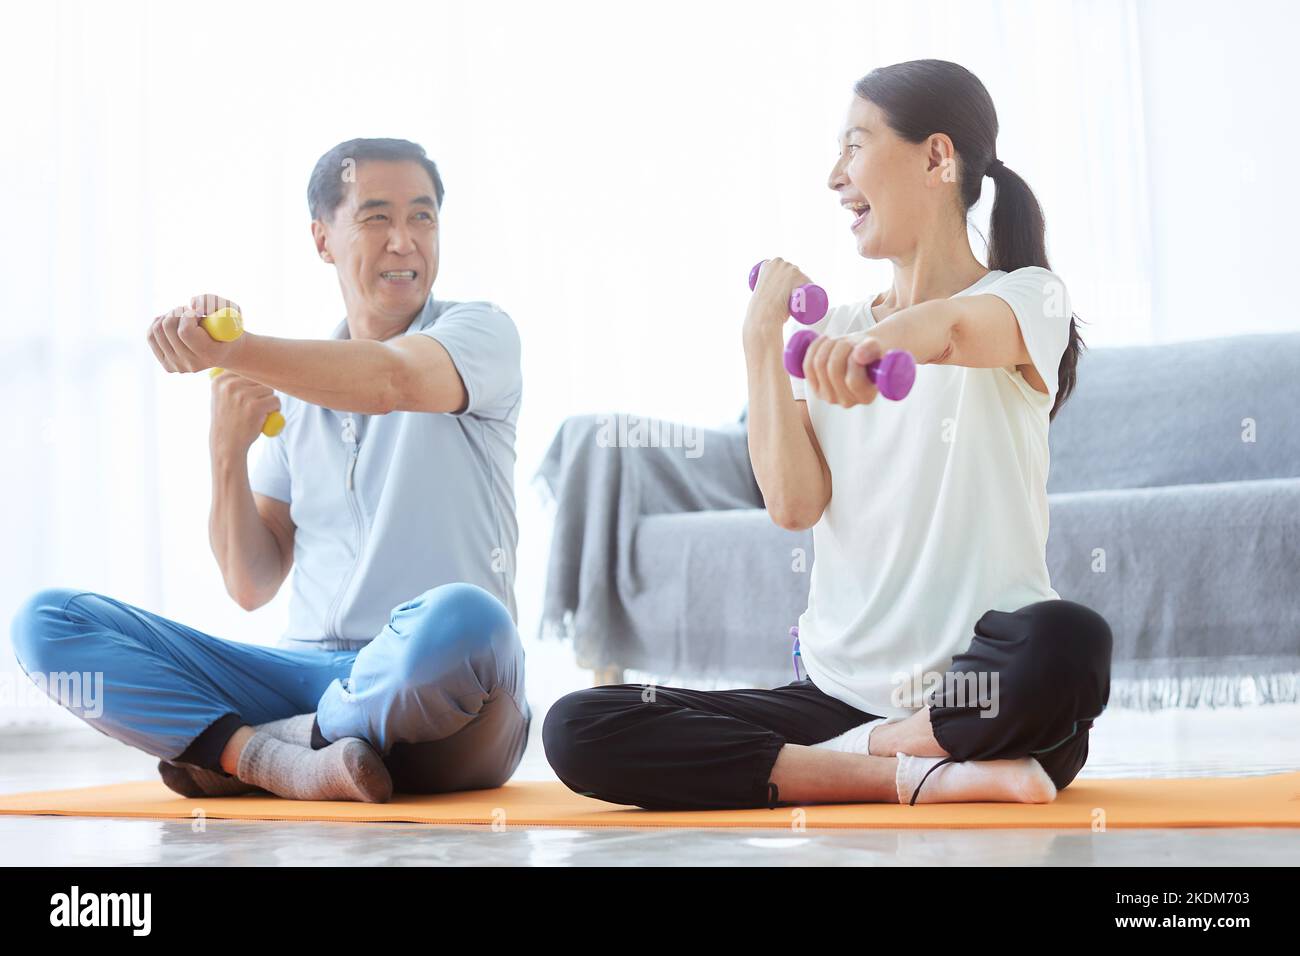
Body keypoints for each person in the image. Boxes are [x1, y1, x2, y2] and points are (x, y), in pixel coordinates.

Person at [543, 60, 1112, 810]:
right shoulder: (835, 333)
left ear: (937, 157)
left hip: (982, 688)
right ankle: (910, 770)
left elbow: (950, 330)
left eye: (854, 146)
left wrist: (883, 345)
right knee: (581, 726)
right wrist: (760, 343)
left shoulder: (1027, 296)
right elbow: (793, 504)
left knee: (1068, 645)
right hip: (838, 694)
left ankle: (870, 756)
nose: (834, 176)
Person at [11, 138, 528, 804]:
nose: (405, 240)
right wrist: (225, 450)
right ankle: (275, 759)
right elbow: (251, 582)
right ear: (323, 239)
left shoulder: (482, 334)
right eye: (377, 217)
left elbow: (392, 380)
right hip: (302, 667)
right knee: (46, 622)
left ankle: (268, 745)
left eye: (423, 217)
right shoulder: (291, 389)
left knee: (469, 618)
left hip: (441, 689)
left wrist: (238, 350)